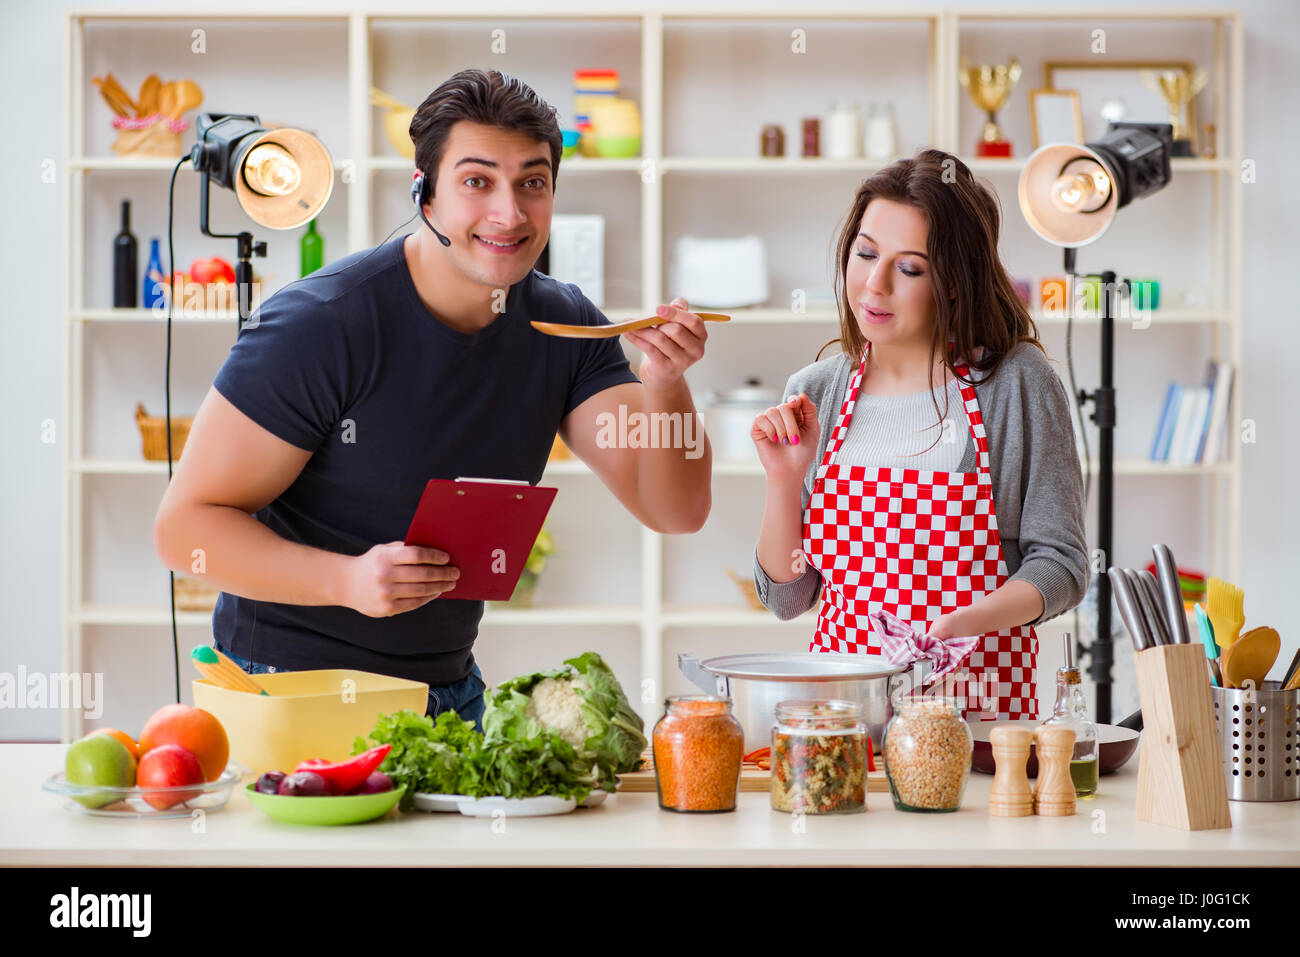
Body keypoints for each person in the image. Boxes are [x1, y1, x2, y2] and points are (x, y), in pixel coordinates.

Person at [154, 69, 712, 731]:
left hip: (448, 694)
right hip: (290, 695)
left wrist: (668, 384)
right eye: (477, 182)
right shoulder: (323, 324)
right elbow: (183, 528)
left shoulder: (567, 327)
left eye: (532, 183)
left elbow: (673, 507)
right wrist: (347, 581)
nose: (509, 212)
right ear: (424, 194)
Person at [751, 148, 1088, 720]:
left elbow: (1062, 566)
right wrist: (784, 482)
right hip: (845, 724)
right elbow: (787, 597)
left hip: (977, 721)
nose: (873, 285)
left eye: (909, 268)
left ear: (955, 282)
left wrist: (961, 626)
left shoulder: (1017, 384)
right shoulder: (817, 390)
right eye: (865, 254)